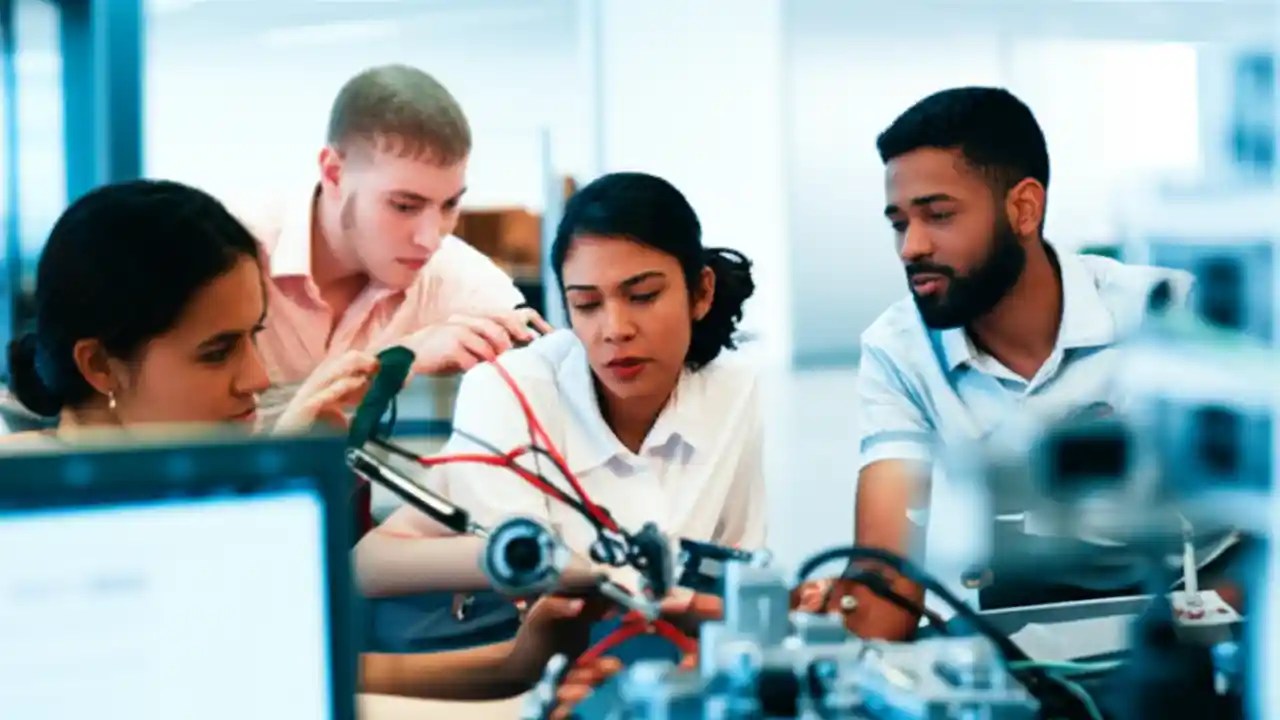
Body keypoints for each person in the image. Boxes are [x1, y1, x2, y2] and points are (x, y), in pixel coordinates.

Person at [2, 178, 605, 700]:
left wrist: (521, 664)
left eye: (254, 337)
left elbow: (305, 673)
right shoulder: (28, 524)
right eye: (217, 352)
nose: (257, 378)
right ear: (100, 366)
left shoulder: (183, 495)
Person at [793, 87, 1193, 640]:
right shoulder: (899, 350)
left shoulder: (1170, 313)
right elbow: (886, 576)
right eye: (899, 224)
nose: (911, 247)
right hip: (1021, 635)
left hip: (1197, 617)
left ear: (1023, 209)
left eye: (938, 215)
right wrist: (816, 617)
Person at [354, 171, 766, 600]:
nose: (615, 329)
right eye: (586, 304)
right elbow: (536, 598)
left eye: (643, 296)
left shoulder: (733, 392)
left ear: (701, 293)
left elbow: (738, 570)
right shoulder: (508, 390)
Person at [231, 64, 551, 400]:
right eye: (404, 206)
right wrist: (396, 365)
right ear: (335, 174)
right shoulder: (234, 253)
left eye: (449, 205)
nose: (430, 240)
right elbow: (199, 423)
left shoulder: (463, 282)